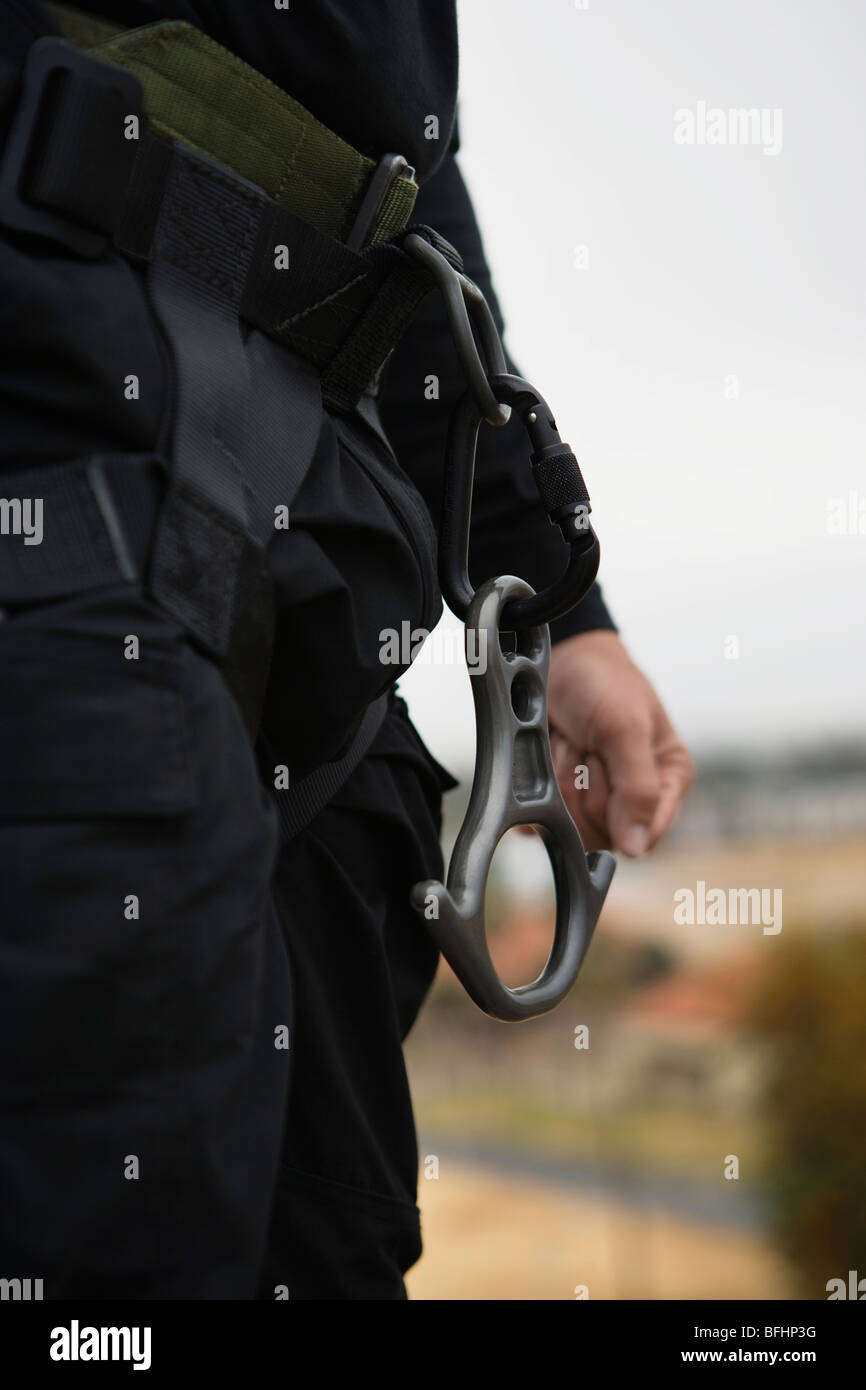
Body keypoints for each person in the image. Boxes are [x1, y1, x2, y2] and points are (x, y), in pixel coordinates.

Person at [0, 0, 693, 1299]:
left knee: (330, 1245)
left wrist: (557, 606)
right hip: (64, 536)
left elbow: (403, 201)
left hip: (320, 608)